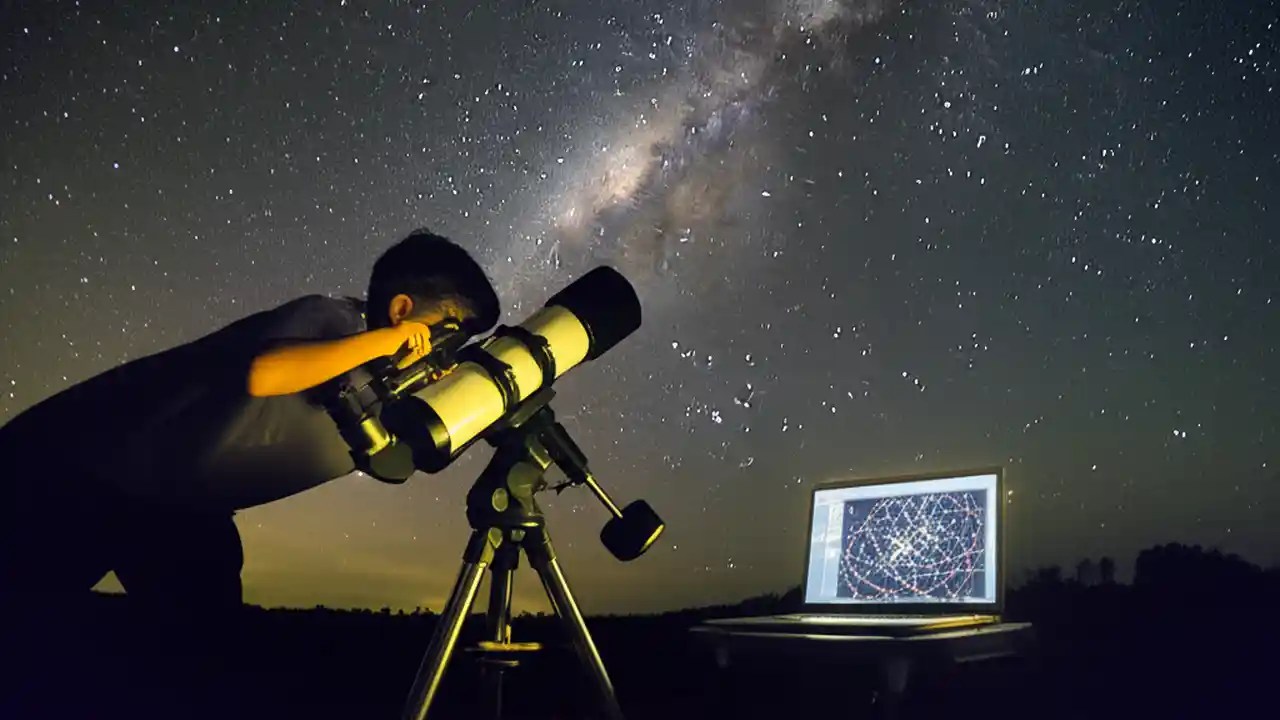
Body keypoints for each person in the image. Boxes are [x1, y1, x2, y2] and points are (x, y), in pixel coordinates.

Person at [0, 230, 501, 619]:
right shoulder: (333, 320)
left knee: (206, 663)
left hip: (181, 508)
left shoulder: (383, 398)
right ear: (402, 311)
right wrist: (385, 341)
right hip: (75, 466)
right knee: (23, 623)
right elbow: (263, 373)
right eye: (447, 337)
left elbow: (403, 459)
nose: (447, 361)